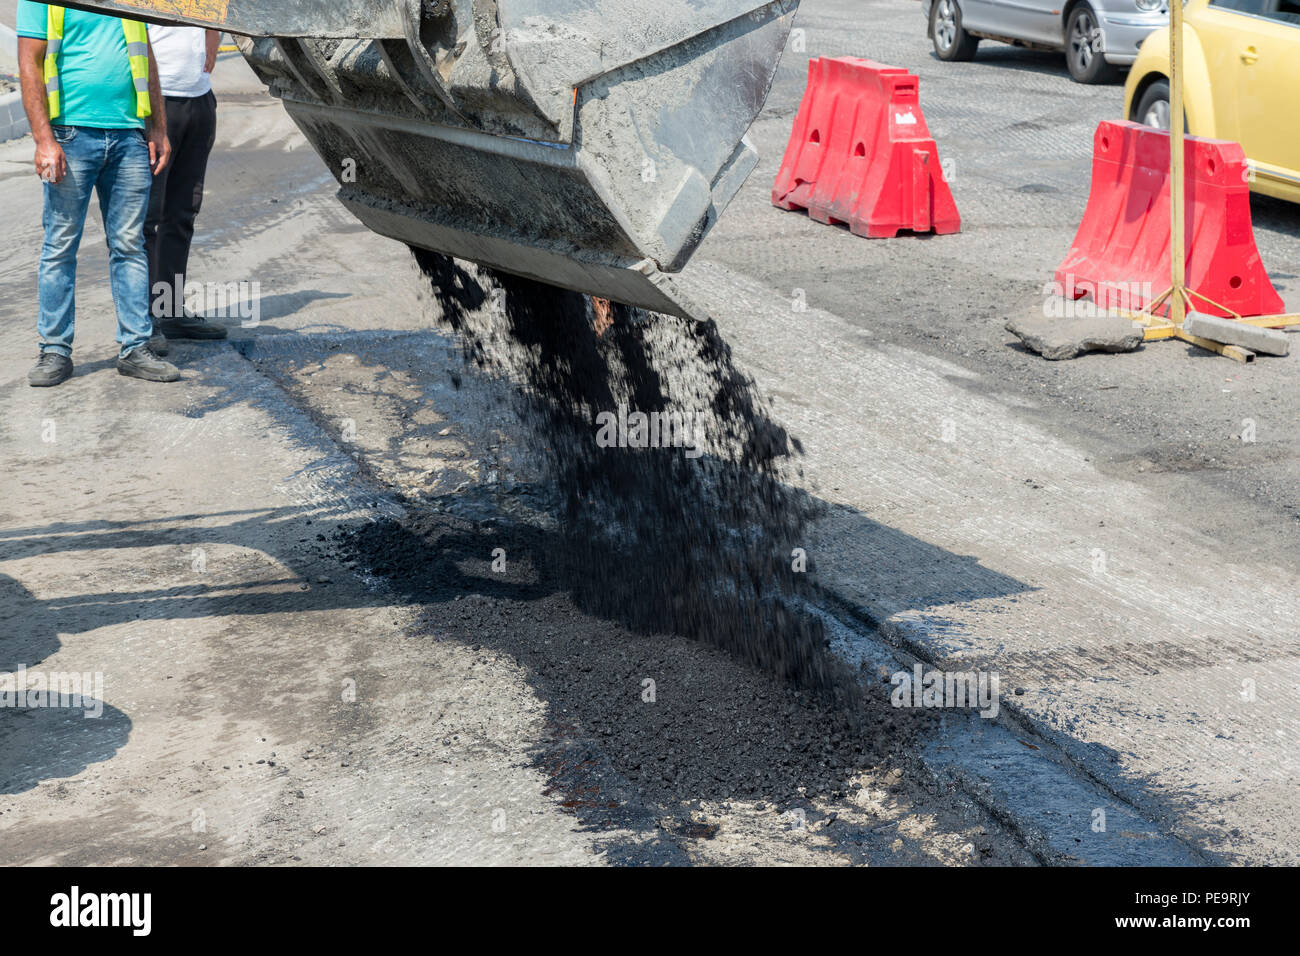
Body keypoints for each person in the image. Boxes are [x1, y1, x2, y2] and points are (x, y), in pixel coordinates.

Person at [17, 1, 179, 387]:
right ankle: (55, 350)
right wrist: (43, 139)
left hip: (129, 136)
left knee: (129, 244)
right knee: (60, 245)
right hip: (69, 136)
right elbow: (29, 63)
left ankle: (135, 346)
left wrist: (157, 126)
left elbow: (146, 57)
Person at [145, 24, 225, 349]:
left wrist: (212, 33)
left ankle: (169, 311)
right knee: (147, 220)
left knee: (181, 214)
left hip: (198, 98)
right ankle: (143, 324)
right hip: (156, 99)